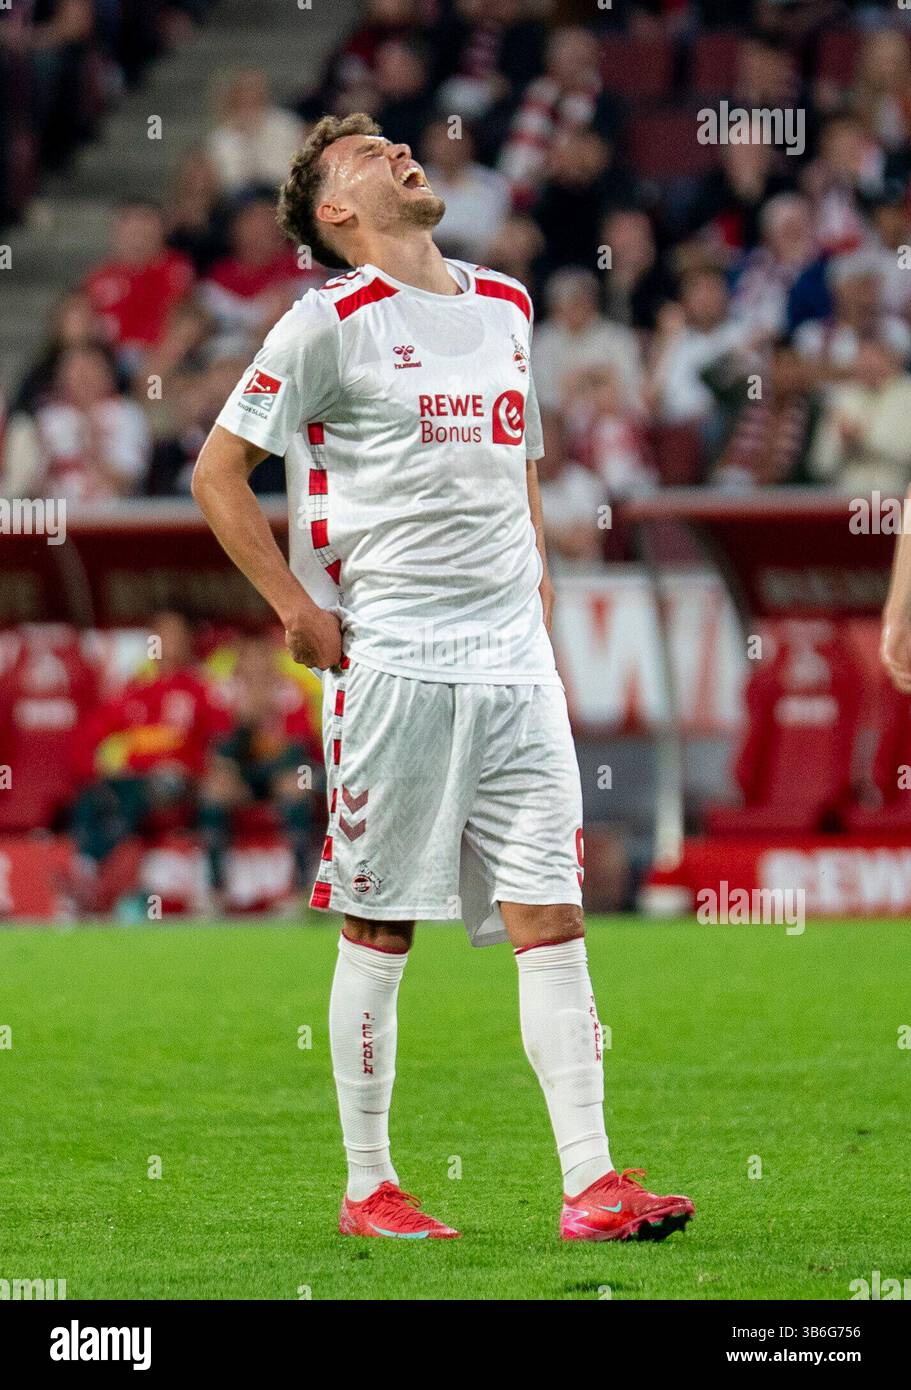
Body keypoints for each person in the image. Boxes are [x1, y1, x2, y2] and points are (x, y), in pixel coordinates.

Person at [190, 111, 694, 1243]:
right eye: (368, 156)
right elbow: (219, 473)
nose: (400, 154)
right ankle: (369, 1186)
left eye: (395, 143)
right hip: (395, 655)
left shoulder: (507, 304)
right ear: (336, 211)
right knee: (381, 927)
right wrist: (292, 607)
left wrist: (539, 580)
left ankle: (591, 1183)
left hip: (514, 659)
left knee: (552, 916)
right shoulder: (325, 324)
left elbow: (514, 458)